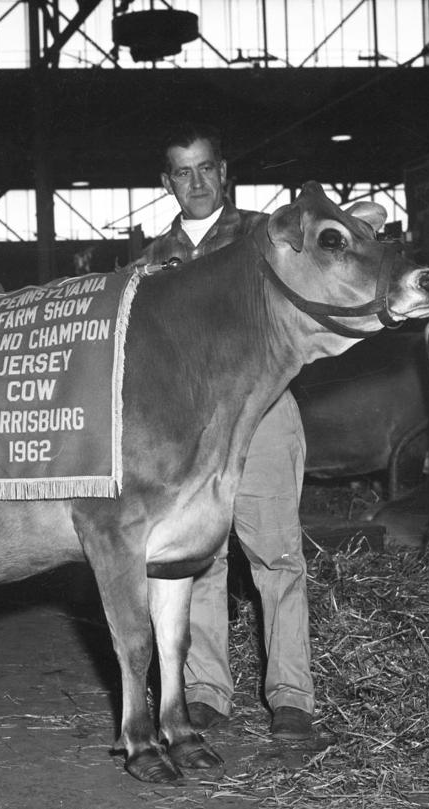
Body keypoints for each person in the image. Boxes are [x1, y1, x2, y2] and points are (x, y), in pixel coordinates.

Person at [131, 123, 316, 741]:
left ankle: (291, 695)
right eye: (183, 172)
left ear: (224, 171)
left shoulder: (269, 237)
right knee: (196, 559)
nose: (197, 182)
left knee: (276, 553)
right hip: (190, 429)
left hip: (263, 416)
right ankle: (207, 689)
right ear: (167, 183)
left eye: (206, 168)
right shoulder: (151, 262)